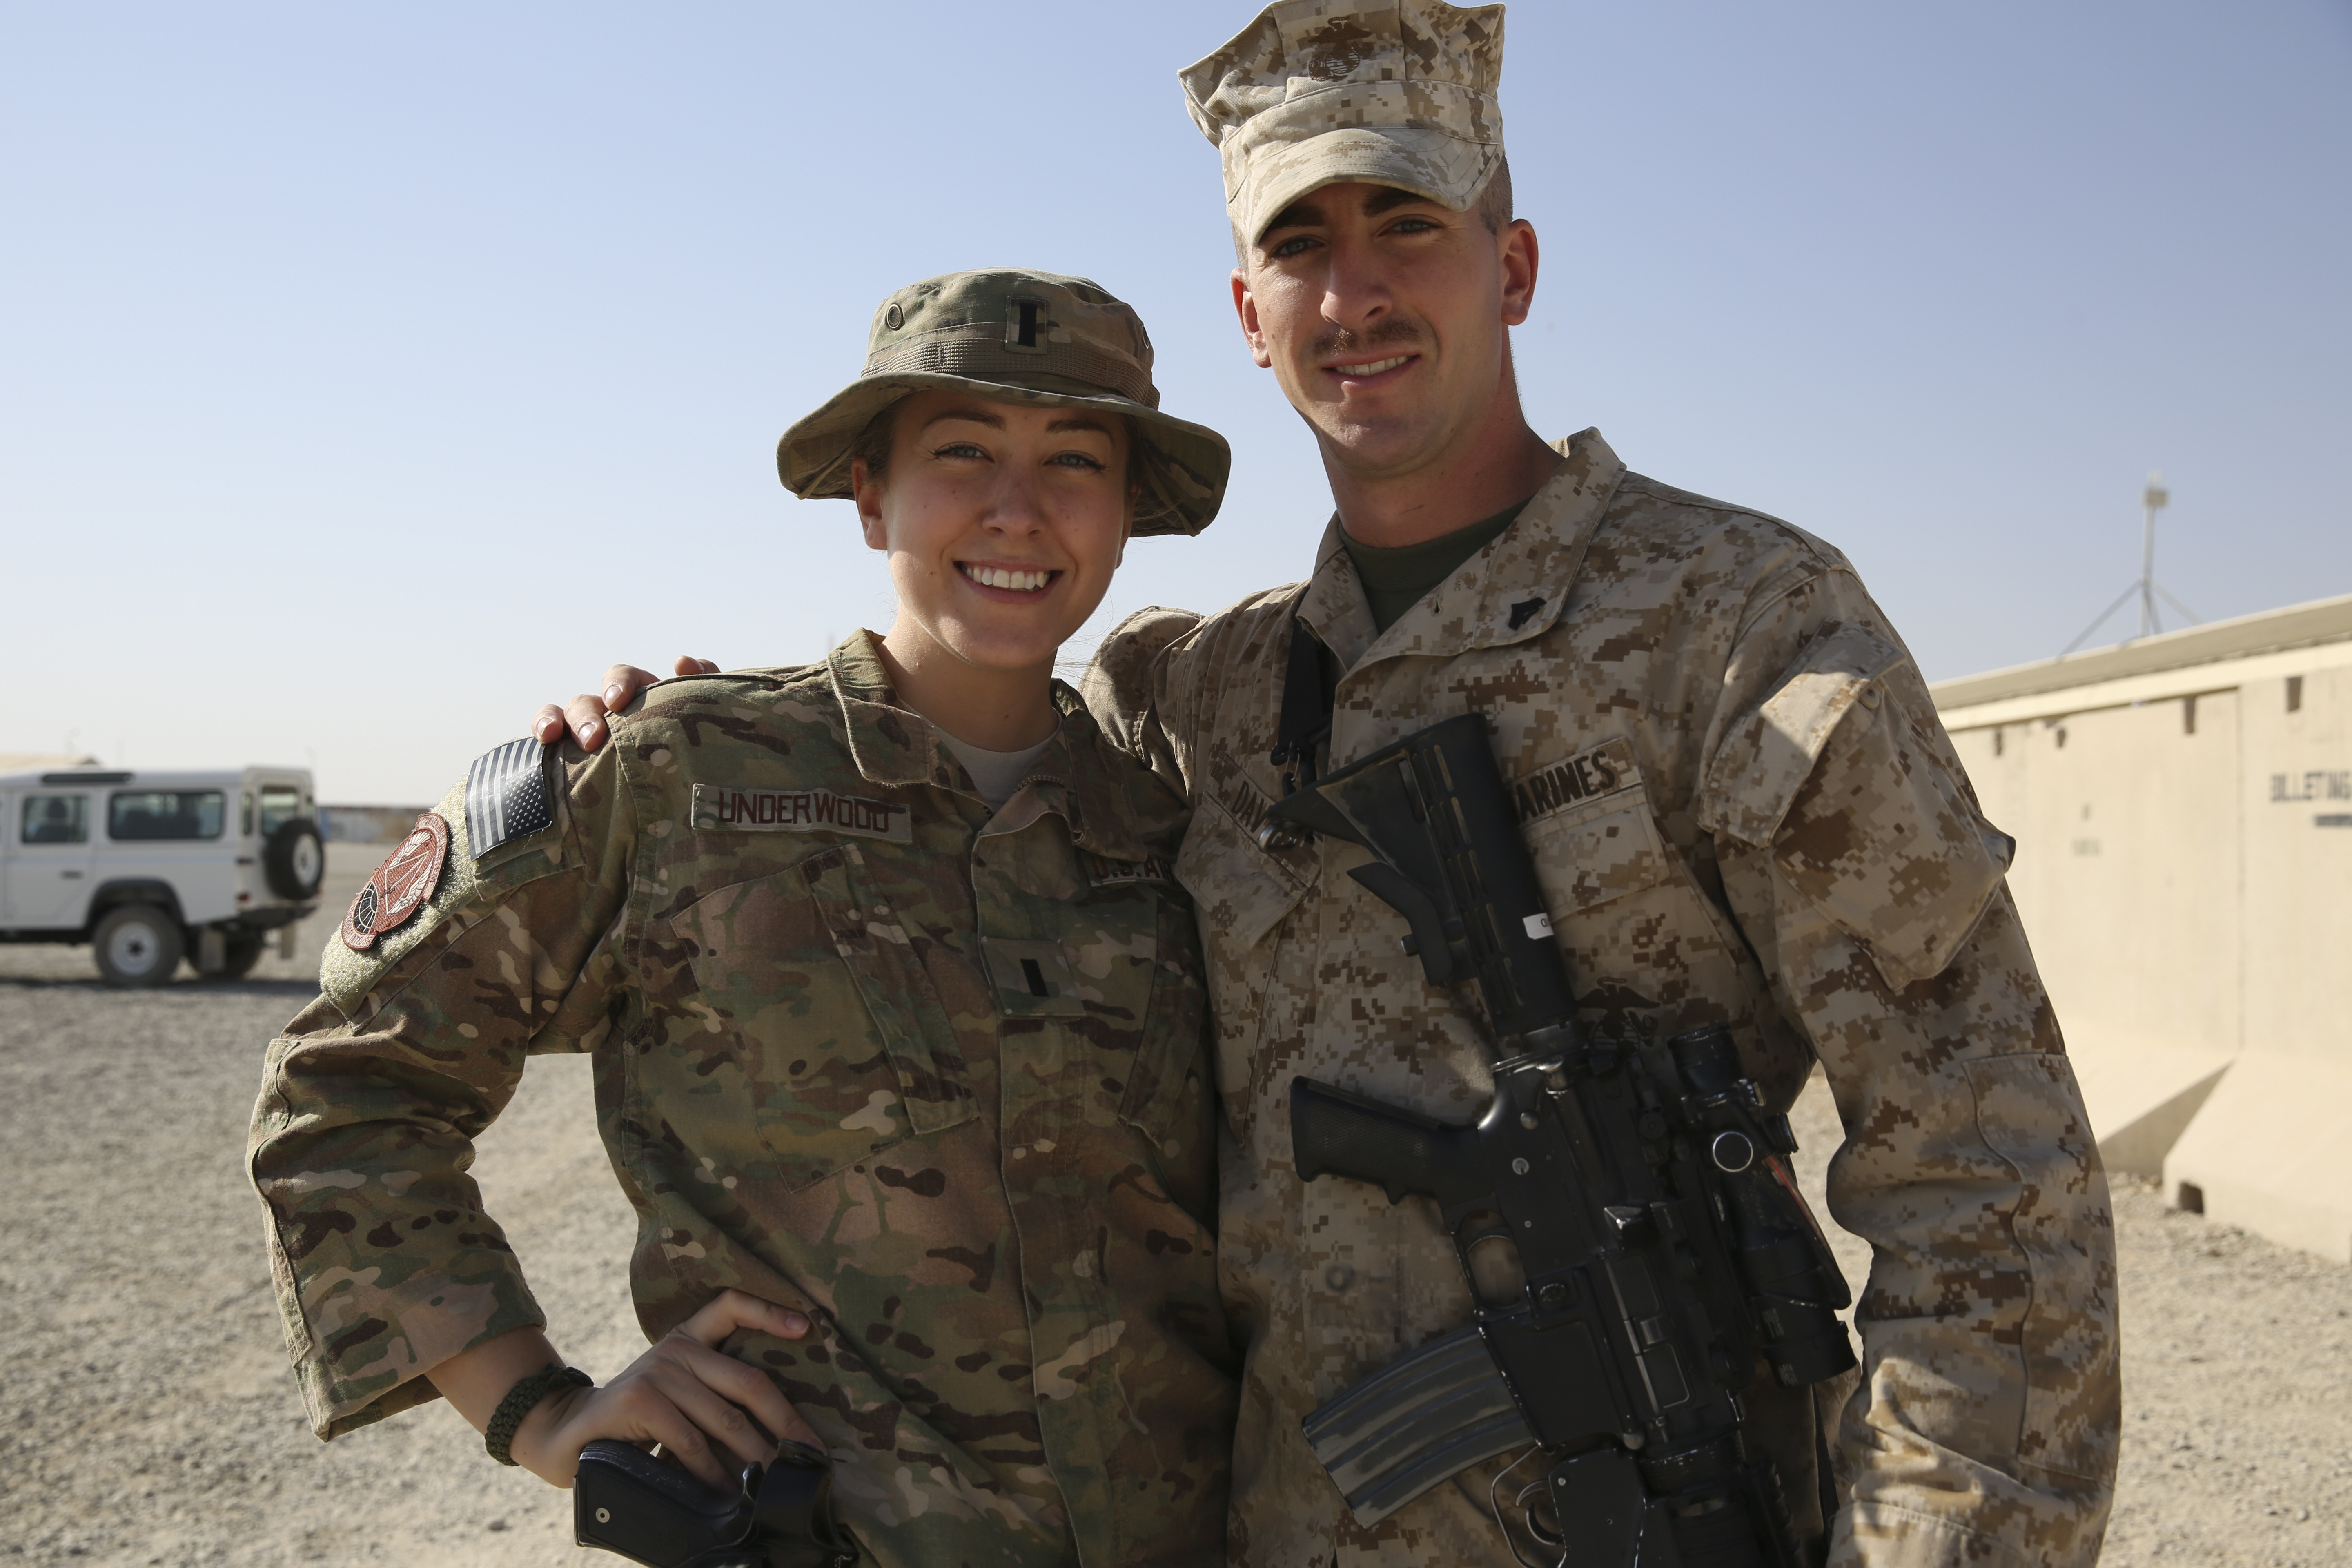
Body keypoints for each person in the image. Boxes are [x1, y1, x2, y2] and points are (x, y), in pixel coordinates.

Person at [541, 4, 2123, 1564]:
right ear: (1248, 312)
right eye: (1302, 244)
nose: (1354, 291)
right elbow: (942, 813)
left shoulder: (1737, 628)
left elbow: (1991, 1188)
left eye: (1407, 224)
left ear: (1511, 266)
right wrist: (710, 738)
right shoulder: (1194, 698)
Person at [247, 268, 1243, 1568]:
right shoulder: (679, 777)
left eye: (1075, 459)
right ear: (870, 494)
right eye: (961, 452)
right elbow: (349, 1090)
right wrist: (543, 1413)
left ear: (1125, 516)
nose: (1020, 507)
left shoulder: (1171, 829)